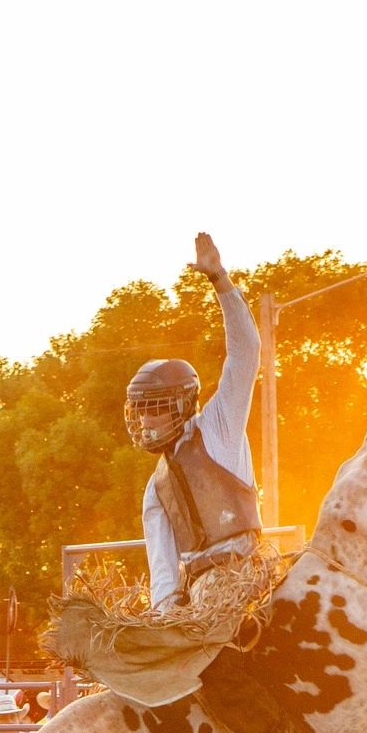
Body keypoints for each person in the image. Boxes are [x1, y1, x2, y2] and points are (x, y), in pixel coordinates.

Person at [133, 232, 261, 610]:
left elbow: (246, 352)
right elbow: (164, 576)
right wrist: (166, 623)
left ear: (182, 403)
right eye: (140, 410)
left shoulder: (219, 425)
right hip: (201, 595)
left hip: (247, 575)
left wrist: (218, 278)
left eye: (154, 407)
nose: (145, 420)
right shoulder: (156, 488)